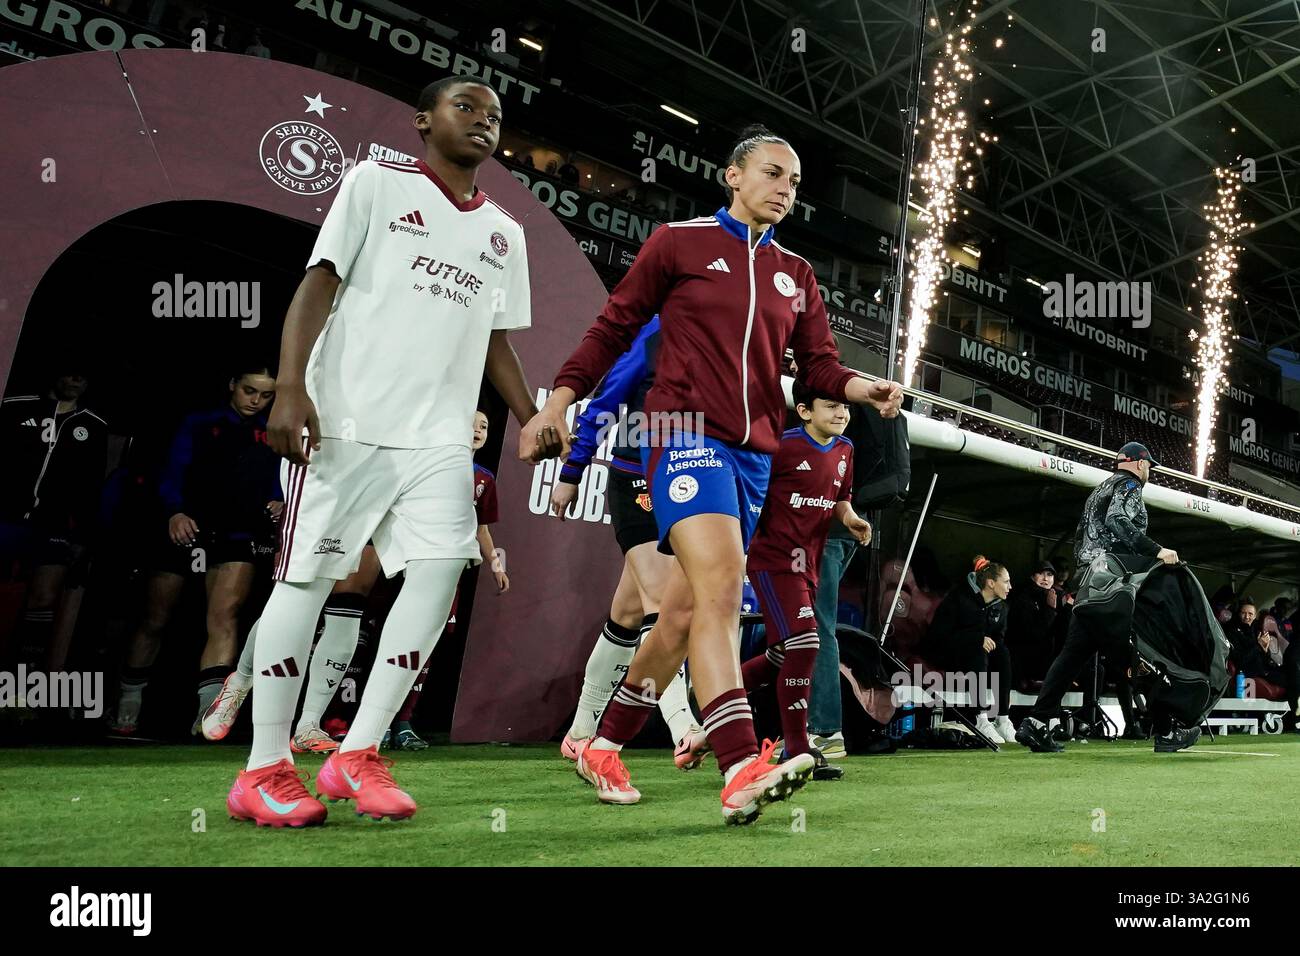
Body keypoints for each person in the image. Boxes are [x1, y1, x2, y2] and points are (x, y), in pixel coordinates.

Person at [522, 124, 901, 824]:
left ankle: (603, 743)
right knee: (723, 587)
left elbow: (816, 367)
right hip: (681, 436)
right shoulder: (679, 242)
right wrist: (560, 401)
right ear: (732, 176)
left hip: (756, 455)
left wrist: (858, 390)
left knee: (686, 612)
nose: (784, 189)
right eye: (771, 173)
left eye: (793, 181)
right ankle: (738, 765)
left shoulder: (798, 275)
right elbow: (614, 328)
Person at [224, 76, 555, 828]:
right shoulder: (374, 182)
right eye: (465, 107)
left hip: (438, 435)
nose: (483, 121)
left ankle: (357, 753)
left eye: (495, 115)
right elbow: (318, 284)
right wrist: (289, 389)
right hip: (346, 418)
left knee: (440, 575)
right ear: (422, 121)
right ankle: (264, 766)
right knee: (307, 580)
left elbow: (494, 339)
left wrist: (530, 414)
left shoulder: (506, 230)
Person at [550, 316, 702, 764]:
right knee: (664, 605)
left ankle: (579, 733)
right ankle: (684, 726)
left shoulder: (735, 332)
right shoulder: (655, 331)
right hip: (637, 479)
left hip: (690, 482)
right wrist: (572, 471)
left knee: (628, 613)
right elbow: (607, 400)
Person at [110, 366, 280, 736]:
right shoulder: (198, 423)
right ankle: (129, 700)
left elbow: (279, 477)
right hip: (187, 527)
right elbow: (171, 471)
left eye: (266, 395)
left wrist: (277, 500)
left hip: (237, 532)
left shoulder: (272, 430)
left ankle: (209, 715)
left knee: (225, 617)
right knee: (155, 618)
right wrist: (174, 511)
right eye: (250, 390)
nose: (256, 400)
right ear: (232, 385)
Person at [1016, 441, 1188, 753]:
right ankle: (1167, 730)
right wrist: (1156, 551)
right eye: (1149, 466)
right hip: (1111, 585)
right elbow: (1117, 520)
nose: (1150, 472)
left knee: (1072, 656)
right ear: (1138, 463)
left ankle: (1036, 724)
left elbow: (1087, 535)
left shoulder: (1100, 488)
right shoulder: (1130, 484)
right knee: (1144, 651)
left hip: (1088, 583)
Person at [742, 382, 871, 780]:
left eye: (844, 407)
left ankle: (717, 699)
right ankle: (798, 748)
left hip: (809, 566)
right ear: (804, 411)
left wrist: (850, 520)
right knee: (807, 642)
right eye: (830, 405)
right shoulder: (782, 447)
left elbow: (839, 498)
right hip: (772, 561)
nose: (840, 413)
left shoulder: (845, 450)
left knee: (786, 654)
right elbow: (751, 495)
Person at [0, 360, 108, 669]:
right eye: (71, 371)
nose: (76, 379)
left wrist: (83, 538)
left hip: (53, 522)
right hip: (7, 516)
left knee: (44, 598)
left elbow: (90, 487)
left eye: (83, 375)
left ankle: (22, 682)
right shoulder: (16, 407)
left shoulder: (93, 425)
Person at [923, 556, 1015, 744]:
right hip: (948, 653)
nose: (1010, 586)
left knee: (1003, 653)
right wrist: (975, 639)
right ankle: (980, 719)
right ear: (990, 583)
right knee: (978, 651)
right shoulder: (958, 598)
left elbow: (998, 638)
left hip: (976, 657)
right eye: (1006, 582)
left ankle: (1002, 719)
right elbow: (938, 635)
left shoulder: (1002, 607)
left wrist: (988, 642)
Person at [1228, 604, 1298, 732]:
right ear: (1239, 614)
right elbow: (1241, 660)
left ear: (1255, 616)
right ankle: (1294, 718)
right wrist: (1258, 646)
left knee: (1294, 673)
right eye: (1244, 613)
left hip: (1265, 669)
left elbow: (1263, 657)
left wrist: (1265, 650)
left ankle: (1293, 716)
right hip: (1250, 672)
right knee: (1292, 680)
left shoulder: (1257, 631)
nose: (1247, 617)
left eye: (1250, 614)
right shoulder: (1233, 633)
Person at [1006, 560, 1058, 691]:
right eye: (1040, 573)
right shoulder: (1023, 598)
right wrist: (1050, 609)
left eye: (1049, 574)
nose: (1045, 578)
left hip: (1045, 661)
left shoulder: (1055, 596)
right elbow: (1034, 634)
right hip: (1025, 662)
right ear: (1032, 576)